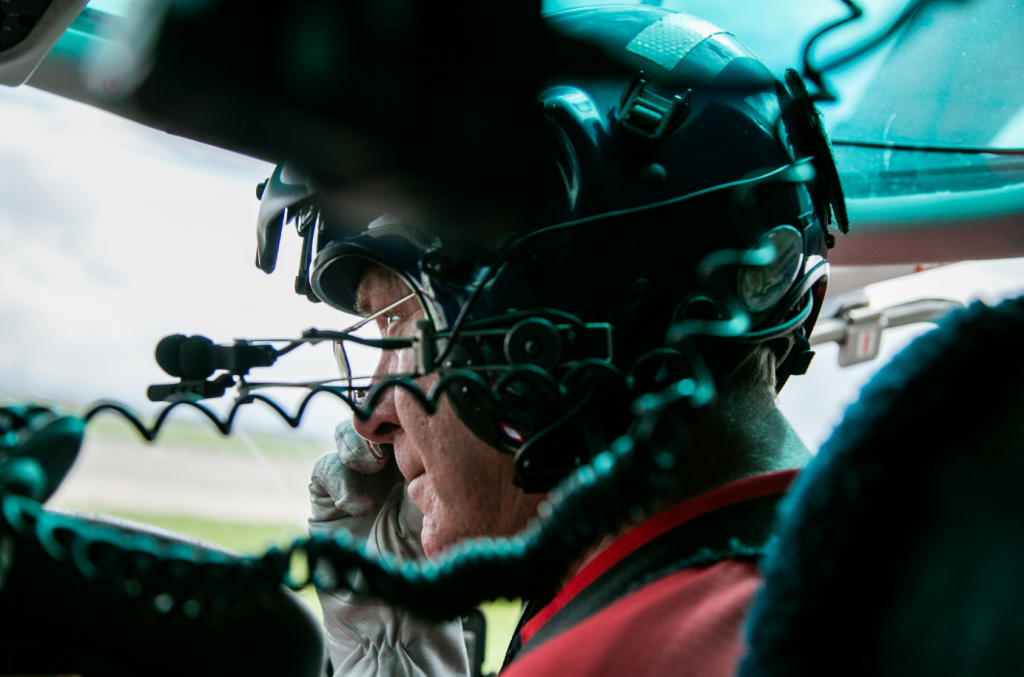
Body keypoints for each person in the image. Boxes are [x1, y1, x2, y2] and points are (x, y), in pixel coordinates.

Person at [274, 6, 846, 676]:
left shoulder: (627, 654)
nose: (371, 413)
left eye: (401, 321)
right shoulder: (829, 564)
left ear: (564, 317)